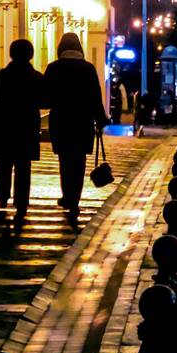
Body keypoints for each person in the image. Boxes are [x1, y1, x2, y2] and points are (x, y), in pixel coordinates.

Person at [43, 31, 108, 230]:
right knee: (79, 162)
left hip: (61, 121)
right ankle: (75, 200)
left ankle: (67, 196)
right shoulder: (88, 69)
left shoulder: (54, 68)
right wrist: (100, 119)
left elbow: (45, 97)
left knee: (64, 160)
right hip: (82, 122)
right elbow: (95, 96)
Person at [0, 39, 45, 229]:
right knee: (23, 165)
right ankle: (22, 202)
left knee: (4, 163)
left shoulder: (1, 76)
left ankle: (2, 197)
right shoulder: (36, 77)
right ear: (31, 55)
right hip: (26, 126)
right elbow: (46, 100)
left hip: (4, 125)